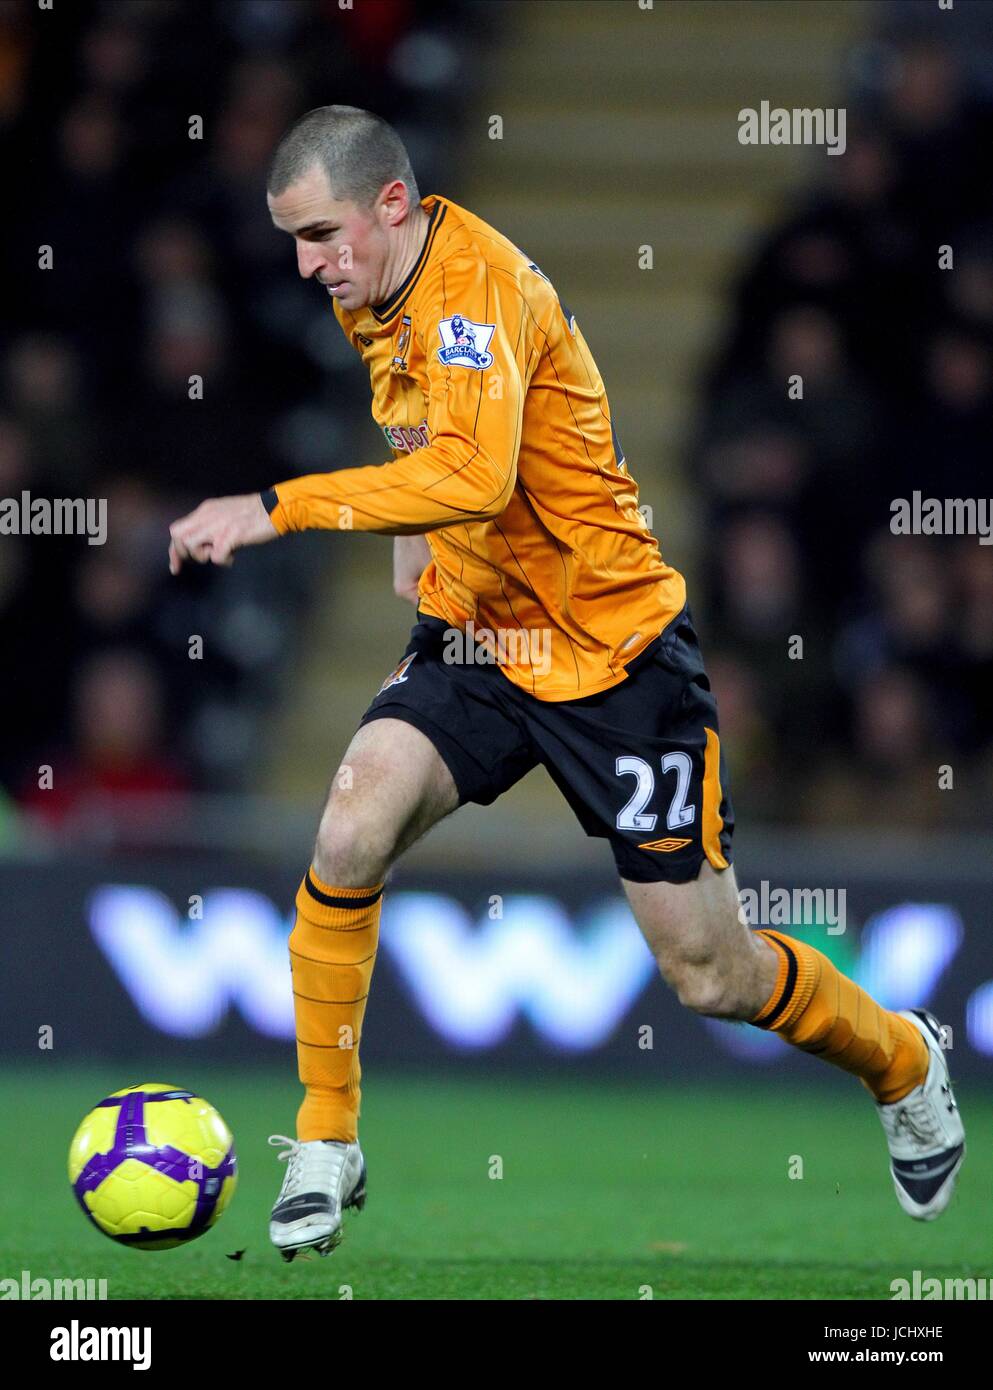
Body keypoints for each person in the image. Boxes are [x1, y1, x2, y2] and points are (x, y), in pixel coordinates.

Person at [169, 106, 965, 1261]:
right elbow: (428, 438)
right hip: (482, 638)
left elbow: (479, 475)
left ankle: (901, 1058)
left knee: (710, 971)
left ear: (391, 204)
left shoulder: (477, 289)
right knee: (349, 824)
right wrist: (419, 539)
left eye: (322, 234)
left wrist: (275, 505)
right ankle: (325, 1141)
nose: (309, 264)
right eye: (295, 240)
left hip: (615, 656)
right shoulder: (369, 288)